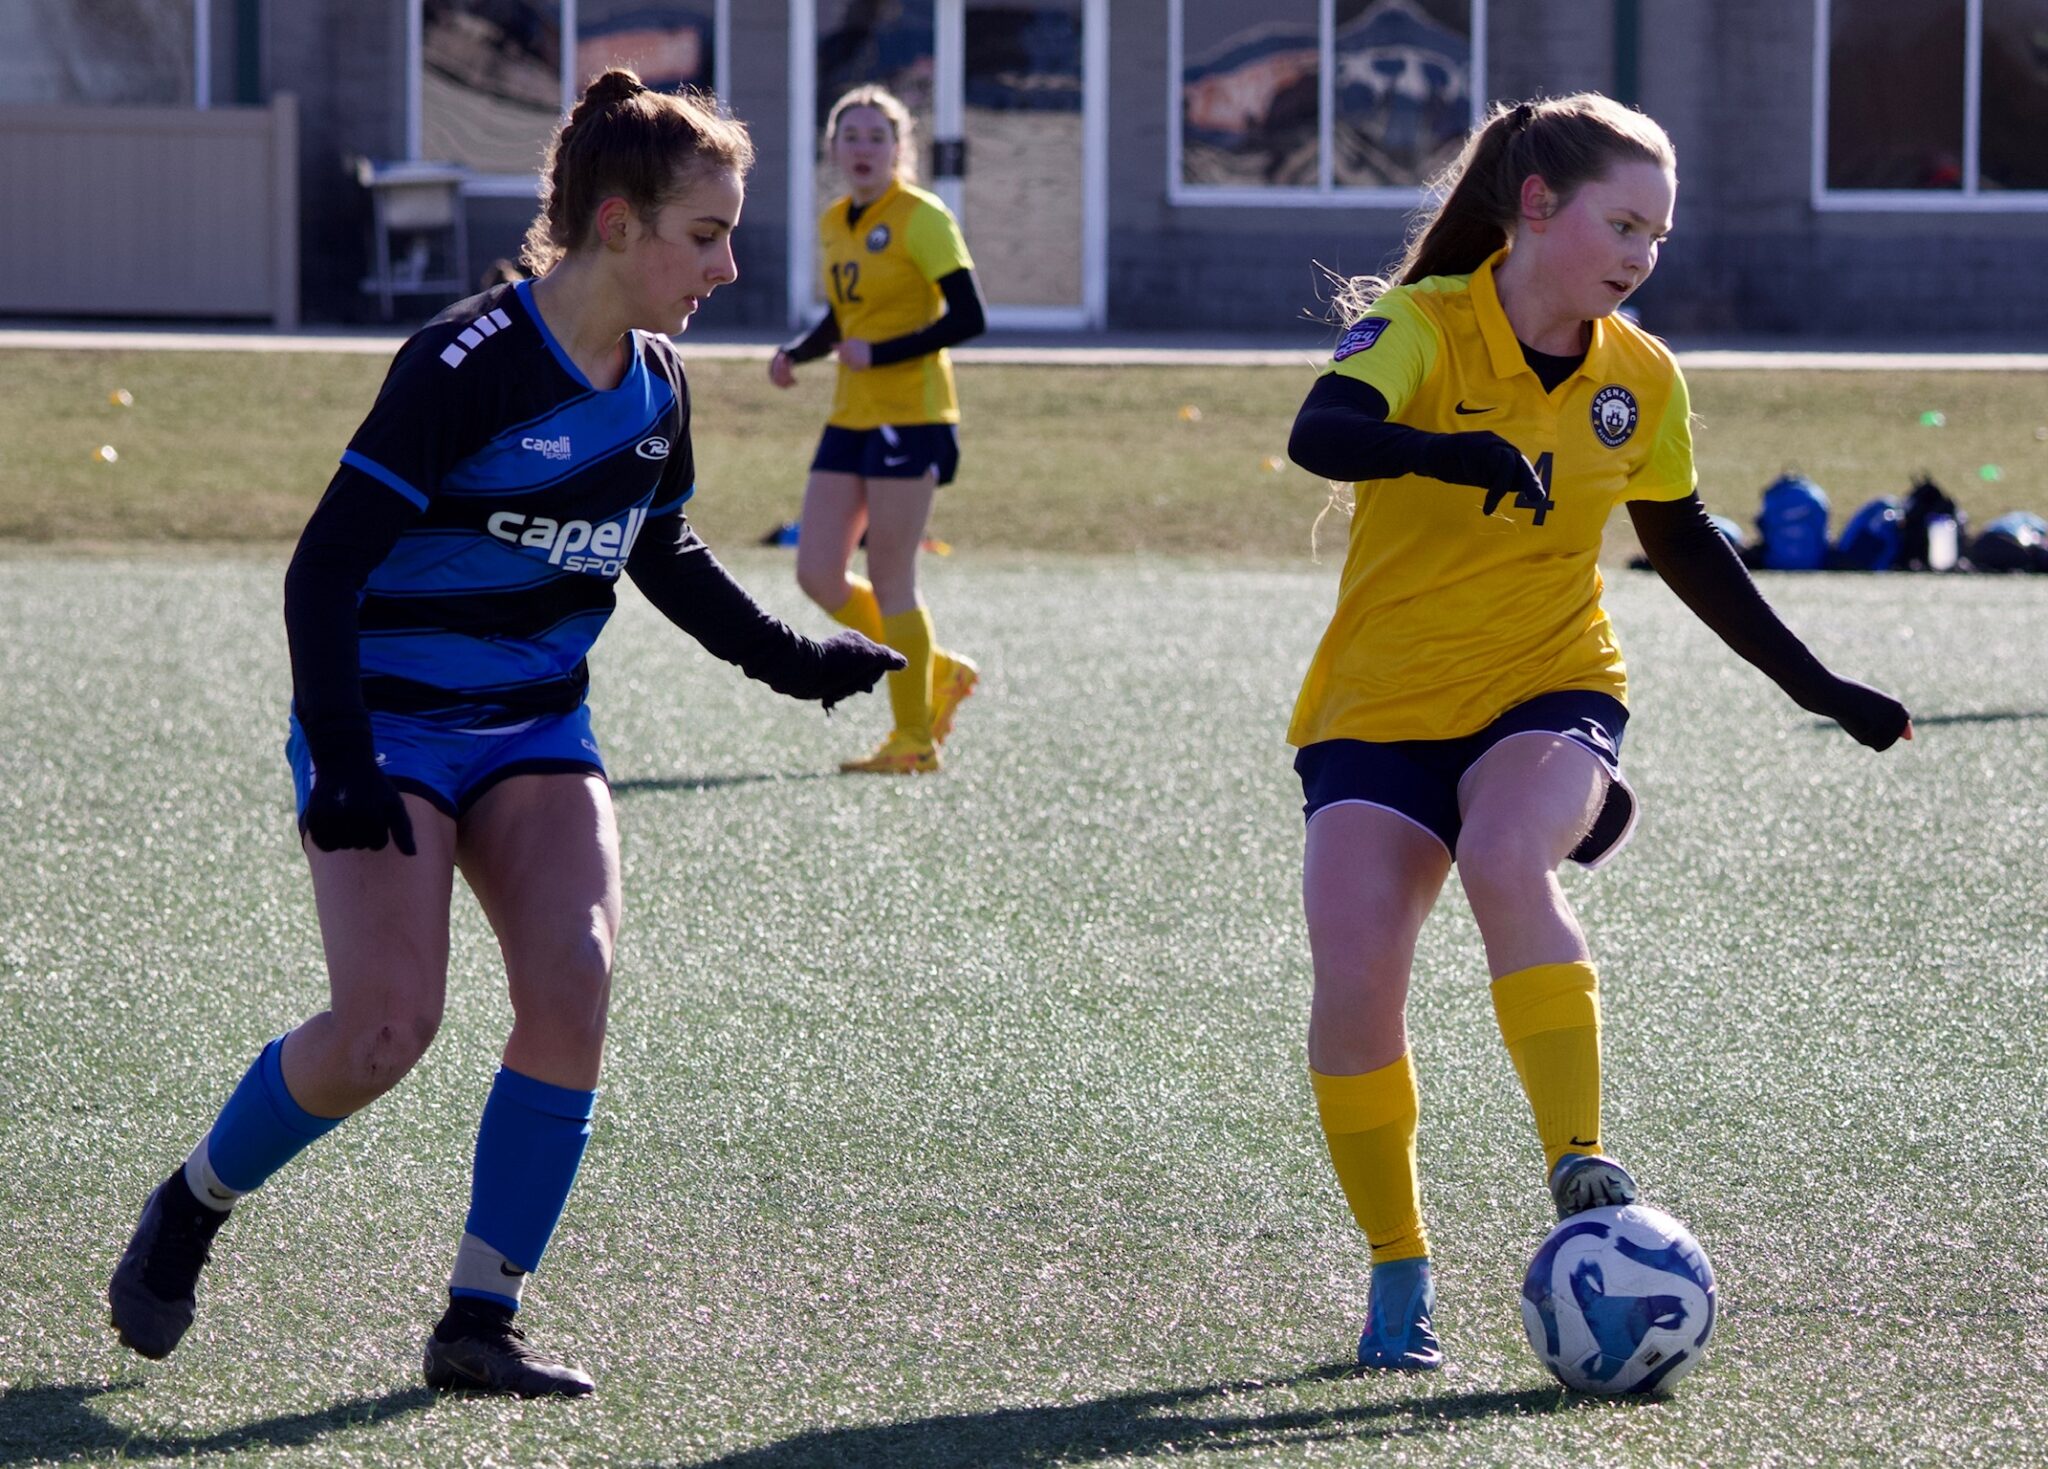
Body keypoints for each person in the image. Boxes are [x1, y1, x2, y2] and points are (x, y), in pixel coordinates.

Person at [106, 70, 901, 1398]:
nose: (729, 263)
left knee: (576, 975)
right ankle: (191, 1202)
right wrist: (346, 759)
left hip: (533, 723)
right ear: (615, 226)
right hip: (392, 725)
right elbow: (324, 572)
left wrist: (797, 663)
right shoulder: (464, 366)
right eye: (705, 236)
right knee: (382, 1033)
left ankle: (480, 1320)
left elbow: (668, 550)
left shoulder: (653, 384)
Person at [1283, 94, 1911, 1372]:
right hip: (1377, 707)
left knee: (1508, 859)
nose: (1638, 254)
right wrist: (1460, 461)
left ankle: (1580, 1161)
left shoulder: (1641, 373)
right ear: (1534, 207)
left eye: (1657, 235)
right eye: (1620, 223)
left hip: (1550, 679)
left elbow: (1681, 540)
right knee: (1354, 978)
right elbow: (1320, 431)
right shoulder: (1418, 326)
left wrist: (1813, 681)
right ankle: (1398, 1270)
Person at [771, 84, 989, 775]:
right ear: (832, 148)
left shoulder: (923, 216)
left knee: (892, 574)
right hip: (850, 413)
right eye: (851, 136)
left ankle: (913, 739)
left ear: (901, 150)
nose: (862, 148)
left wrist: (886, 353)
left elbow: (968, 316)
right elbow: (846, 317)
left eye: (877, 137)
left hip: (914, 414)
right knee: (817, 572)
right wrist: (797, 353)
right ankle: (938, 668)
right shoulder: (836, 219)